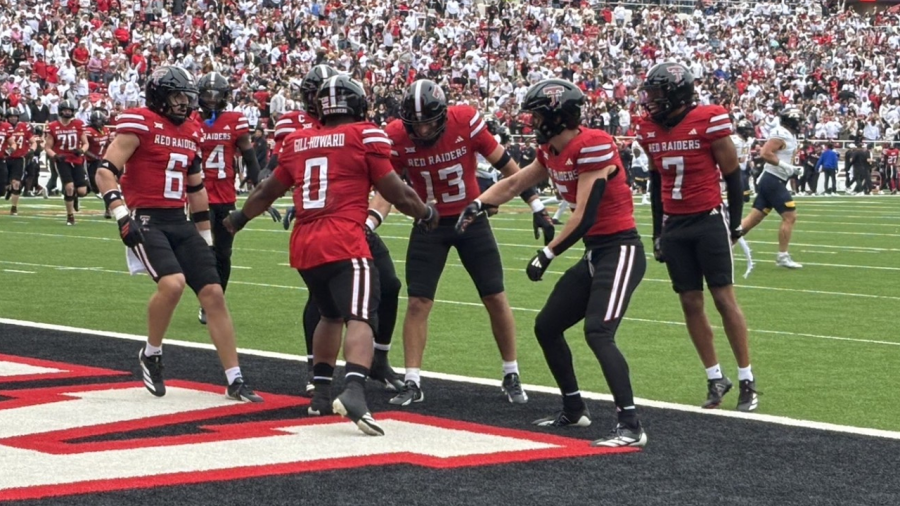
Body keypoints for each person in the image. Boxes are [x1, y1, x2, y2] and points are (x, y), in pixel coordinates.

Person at [223, 75, 439, 436]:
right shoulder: (364, 135)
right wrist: (426, 213)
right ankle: (354, 389)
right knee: (361, 315)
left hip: (304, 242)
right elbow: (395, 191)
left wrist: (238, 218)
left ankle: (320, 393)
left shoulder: (298, 140)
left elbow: (267, 190)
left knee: (329, 313)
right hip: (343, 238)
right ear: (355, 105)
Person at [457, 79, 648, 448]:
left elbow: (585, 215)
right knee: (547, 326)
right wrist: (478, 203)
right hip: (596, 253)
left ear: (559, 116)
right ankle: (574, 409)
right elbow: (515, 183)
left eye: (539, 114)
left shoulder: (593, 145)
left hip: (620, 249)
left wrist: (548, 253)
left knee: (598, 332)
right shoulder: (551, 151)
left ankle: (631, 424)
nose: (534, 121)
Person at [94, 66, 263, 403]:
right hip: (146, 219)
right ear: (159, 96)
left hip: (179, 219)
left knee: (214, 292)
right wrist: (121, 215)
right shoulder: (139, 122)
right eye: (177, 96)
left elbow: (196, 188)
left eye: (187, 97)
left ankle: (235, 378)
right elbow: (104, 172)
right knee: (172, 283)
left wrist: (206, 239)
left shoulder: (192, 130)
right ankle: (152, 353)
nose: (184, 103)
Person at [384, 79, 554, 407]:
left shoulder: (465, 121)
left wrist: (535, 204)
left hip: (470, 218)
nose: (421, 131)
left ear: (442, 115)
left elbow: (508, 167)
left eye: (428, 122)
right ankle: (412, 380)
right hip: (429, 222)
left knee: (495, 295)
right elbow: (385, 184)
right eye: (414, 125)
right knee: (418, 302)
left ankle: (511, 372)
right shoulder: (395, 135)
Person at [638, 62, 758, 413]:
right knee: (690, 301)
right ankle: (714, 376)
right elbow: (658, 181)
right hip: (674, 224)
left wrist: (735, 224)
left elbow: (733, 175)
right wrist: (657, 230)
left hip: (707, 219)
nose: (652, 101)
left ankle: (748, 378)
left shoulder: (711, 118)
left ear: (676, 94)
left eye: (658, 94)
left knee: (723, 298)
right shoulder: (648, 128)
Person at [284, 65, 406, 395]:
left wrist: (370, 221)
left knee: (388, 285)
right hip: (327, 225)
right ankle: (320, 371)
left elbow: (383, 181)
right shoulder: (302, 129)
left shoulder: (340, 131)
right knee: (329, 304)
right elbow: (282, 173)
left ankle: (375, 361)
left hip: (350, 222)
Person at [194, 71, 277, 325]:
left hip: (226, 196)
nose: (210, 100)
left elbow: (251, 160)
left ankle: (215, 301)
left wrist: (262, 193)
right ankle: (207, 300)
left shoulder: (236, 121)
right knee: (204, 252)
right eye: (206, 95)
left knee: (223, 254)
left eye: (214, 95)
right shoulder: (191, 120)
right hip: (198, 195)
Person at [740, 108, 803, 269]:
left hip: (774, 179)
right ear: (792, 122)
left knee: (750, 222)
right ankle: (782, 256)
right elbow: (765, 153)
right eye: (799, 121)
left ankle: (721, 249)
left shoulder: (789, 135)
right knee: (790, 215)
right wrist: (786, 167)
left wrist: (792, 168)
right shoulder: (782, 133)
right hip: (772, 180)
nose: (801, 124)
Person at [44, 99, 90, 225]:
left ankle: (74, 197)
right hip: (62, 160)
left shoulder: (79, 124)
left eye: (70, 110)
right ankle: (70, 216)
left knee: (82, 191)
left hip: (77, 160)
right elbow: (47, 147)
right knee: (69, 187)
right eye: (65, 110)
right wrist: (56, 156)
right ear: (60, 111)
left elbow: (86, 143)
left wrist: (81, 150)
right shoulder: (53, 126)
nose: (68, 112)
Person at [5, 106, 39, 217]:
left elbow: (33, 141)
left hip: (19, 158)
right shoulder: (4, 127)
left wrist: (32, 150)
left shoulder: (24, 127)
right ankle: (8, 188)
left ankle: (14, 207)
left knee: (16, 183)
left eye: (15, 116)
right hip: (4, 158)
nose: (13, 119)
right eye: (11, 117)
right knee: (5, 184)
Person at [85, 109, 113, 217]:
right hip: (89, 162)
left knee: (105, 184)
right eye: (96, 121)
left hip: (102, 160)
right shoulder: (88, 131)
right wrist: (95, 157)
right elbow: (84, 147)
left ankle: (108, 210)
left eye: (100, 120)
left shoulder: (106, 130)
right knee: (92, 186)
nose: (98, 123)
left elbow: (106, 144)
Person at [732, 118, 755, 201]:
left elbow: (746, 154)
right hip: (734, 169)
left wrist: (749, 161)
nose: (749, 132)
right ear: (742, 130)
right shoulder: (734, 140)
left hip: (743, 169)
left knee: (746, 197)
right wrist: (737, 159)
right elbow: (726, 154)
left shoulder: (747, 141)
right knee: (739, 196)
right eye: (747, 130)